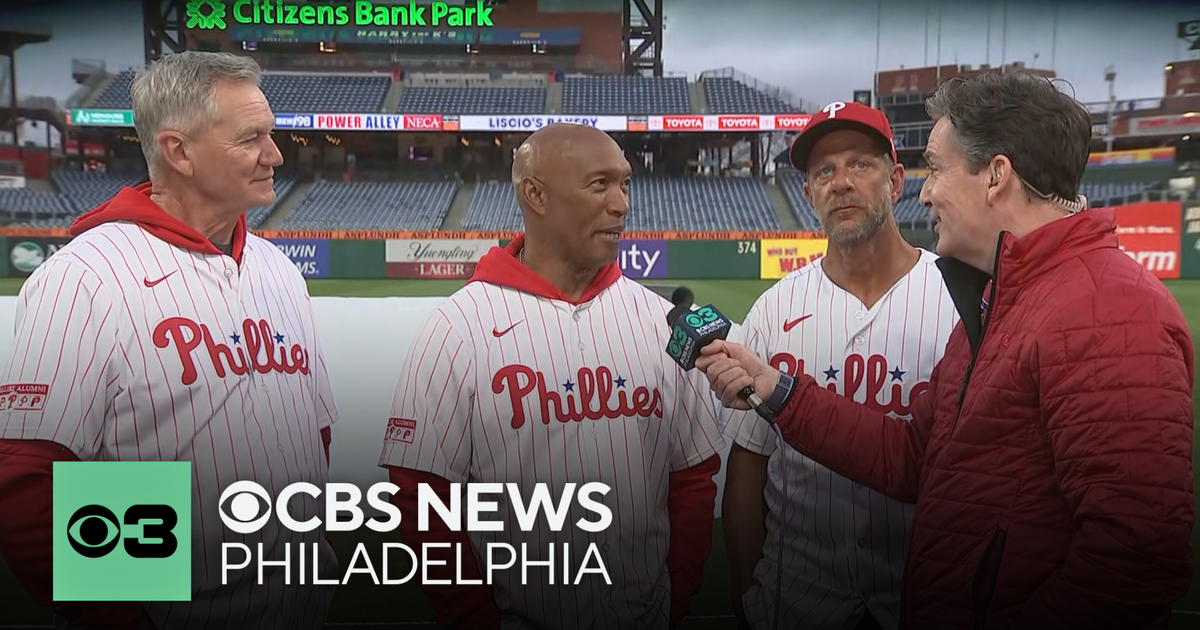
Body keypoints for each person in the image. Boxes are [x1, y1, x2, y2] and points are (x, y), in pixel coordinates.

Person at [698, 71, 1194, 629]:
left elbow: (1135, 556)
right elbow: (913, 457)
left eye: (936, 167)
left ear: (996, 176)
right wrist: (778, 390)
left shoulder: (1108, 305)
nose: (929, 191)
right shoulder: (998, 301)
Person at [0, 51, 339, 630]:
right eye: (251, 137)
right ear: (179, 151)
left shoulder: (278, 269)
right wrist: (127, 617)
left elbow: (317, 435)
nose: (275, 154)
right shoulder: (87, 276)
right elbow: (31, 481)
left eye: (272, 134)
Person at [379, 122, 725, 630]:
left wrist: (676, 597)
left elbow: (694, 475)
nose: (621, 203)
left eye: (625, 183)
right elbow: (419, 494)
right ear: (535, 194)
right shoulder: (456, 326)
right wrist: (477, 619)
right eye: (599, 184)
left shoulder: (661, 323)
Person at [722, 101, 958, 630]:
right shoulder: (773, 310)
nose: (840, 183)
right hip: (798, 600)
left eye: (859, 164)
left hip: (926, 598)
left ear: (896, 180)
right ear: (808, 194)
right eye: (823, 171)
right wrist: (745, 599)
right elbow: (747, 468)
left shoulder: (957, 298)